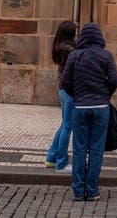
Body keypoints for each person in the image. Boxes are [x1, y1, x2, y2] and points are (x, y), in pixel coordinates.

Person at [61, 22, 117, 202]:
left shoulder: (74, 55)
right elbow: (114, 80)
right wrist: (105, 95)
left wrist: (77, 95)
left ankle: (78, 190)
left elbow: (65, 82)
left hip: (80, 107)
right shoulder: (106, 55)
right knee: (95, 150)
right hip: (101, 107)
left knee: (79, 149)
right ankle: (92, 190)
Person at [45, 21, 77, 171]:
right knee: (67, 126)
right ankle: (61, 162)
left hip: (62, 90)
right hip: (69, 91)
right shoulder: (70, 50)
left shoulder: (58, 47)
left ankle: (51, 157)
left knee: (64, 124)